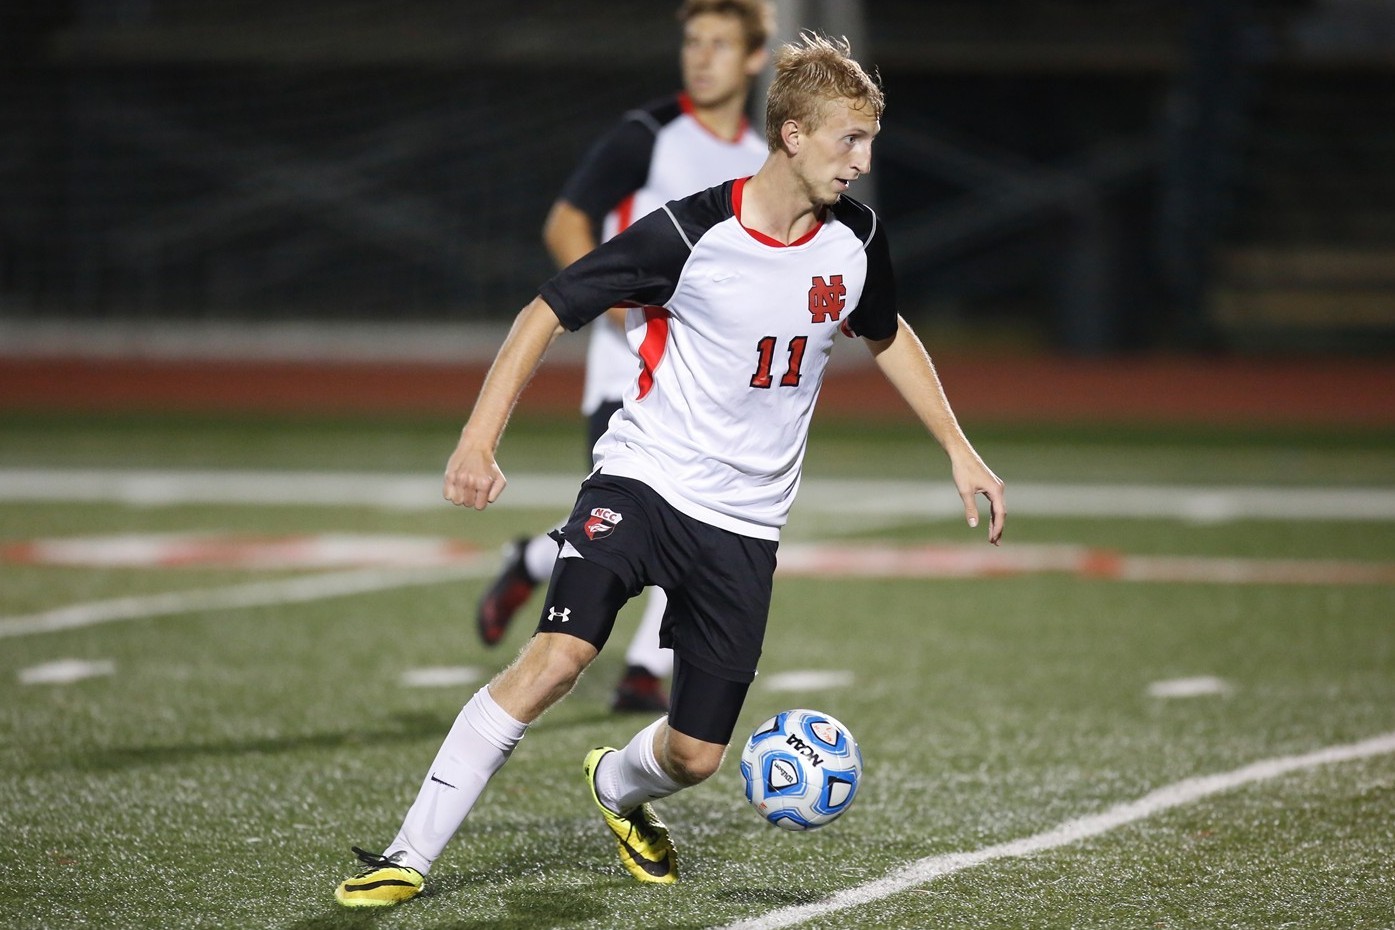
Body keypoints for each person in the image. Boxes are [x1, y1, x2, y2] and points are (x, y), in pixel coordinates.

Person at [335, 31, 1005, 907]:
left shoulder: (856, 238)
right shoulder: (690, 231)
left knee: (694, 757)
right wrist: (477, 438)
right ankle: (405, 856)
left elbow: (884, 332)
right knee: (557, 659)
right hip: (644, 481)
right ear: (793, 134)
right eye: (850, 139)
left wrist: (958, 447)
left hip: (745, 525)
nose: (862, 161)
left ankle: (614, 786)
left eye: (869, 141)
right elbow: (547, 310)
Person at [475, 0, 774, 715]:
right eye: (693, 42)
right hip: (628, 366)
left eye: (720, 44)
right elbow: (565, 223)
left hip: (710, 379)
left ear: (754, 59)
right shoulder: (646, 134)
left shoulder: (761, 157)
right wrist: (616, 303)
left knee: (687, 513)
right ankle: (641, 667)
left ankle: (542, 570)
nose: (701, 56)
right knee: (649, 515)